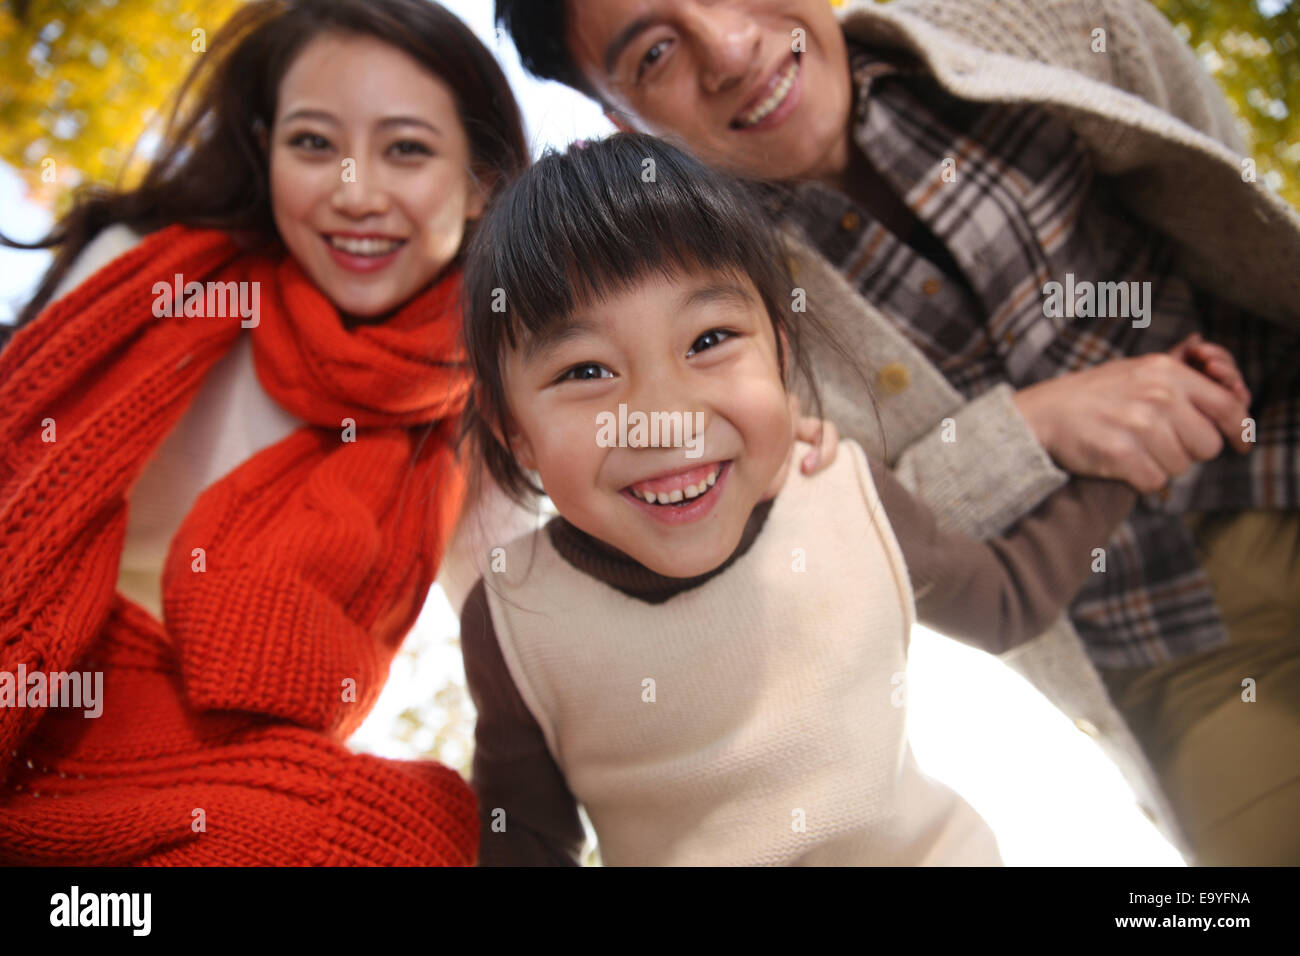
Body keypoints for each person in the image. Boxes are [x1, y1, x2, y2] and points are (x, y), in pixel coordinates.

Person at [493, 0, 1300, 864]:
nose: (728, 48)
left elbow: (1223, 188)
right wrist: (1034, 431)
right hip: (1171, 648)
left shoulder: (1023, 19)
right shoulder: (714, 331)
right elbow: (847, 534)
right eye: (655, 53)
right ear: (624, 118)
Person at [0, 0, 528, 865]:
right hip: (47, 708)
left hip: (227, 781)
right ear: (266, 150)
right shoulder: (149, 272)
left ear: (479, 186)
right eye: (314, 144)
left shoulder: (479, 404)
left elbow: (526, 641)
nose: (355, 194)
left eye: (407, 149)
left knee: (421, 835)